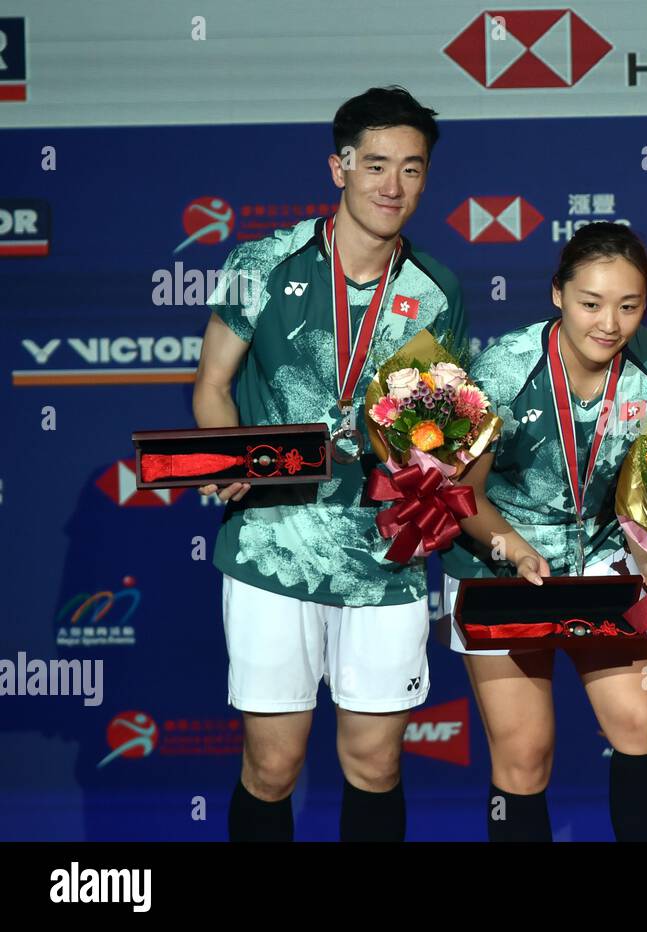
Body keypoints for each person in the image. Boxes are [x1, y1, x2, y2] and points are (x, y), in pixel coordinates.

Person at [193, 86, 466, 842]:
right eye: (375, 165)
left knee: (374, 766)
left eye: (412, 169)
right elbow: (213, 384)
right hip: (270, 544)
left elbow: (442, 428)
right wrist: (230, 455)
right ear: (338, 167)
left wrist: (431, 474)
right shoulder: (262, 260)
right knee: (273, 767)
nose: (392, 186)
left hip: (384, 554)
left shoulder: (436, 292)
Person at [437, 222, 647, 842]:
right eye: (591, 303)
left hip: (607, 564)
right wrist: (514, 547)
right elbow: (461, 495)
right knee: (524, 756)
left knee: (639, 725)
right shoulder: (502, 367)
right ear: (558, 294)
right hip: (500, 567)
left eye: (629, 305)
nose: (609, 323)